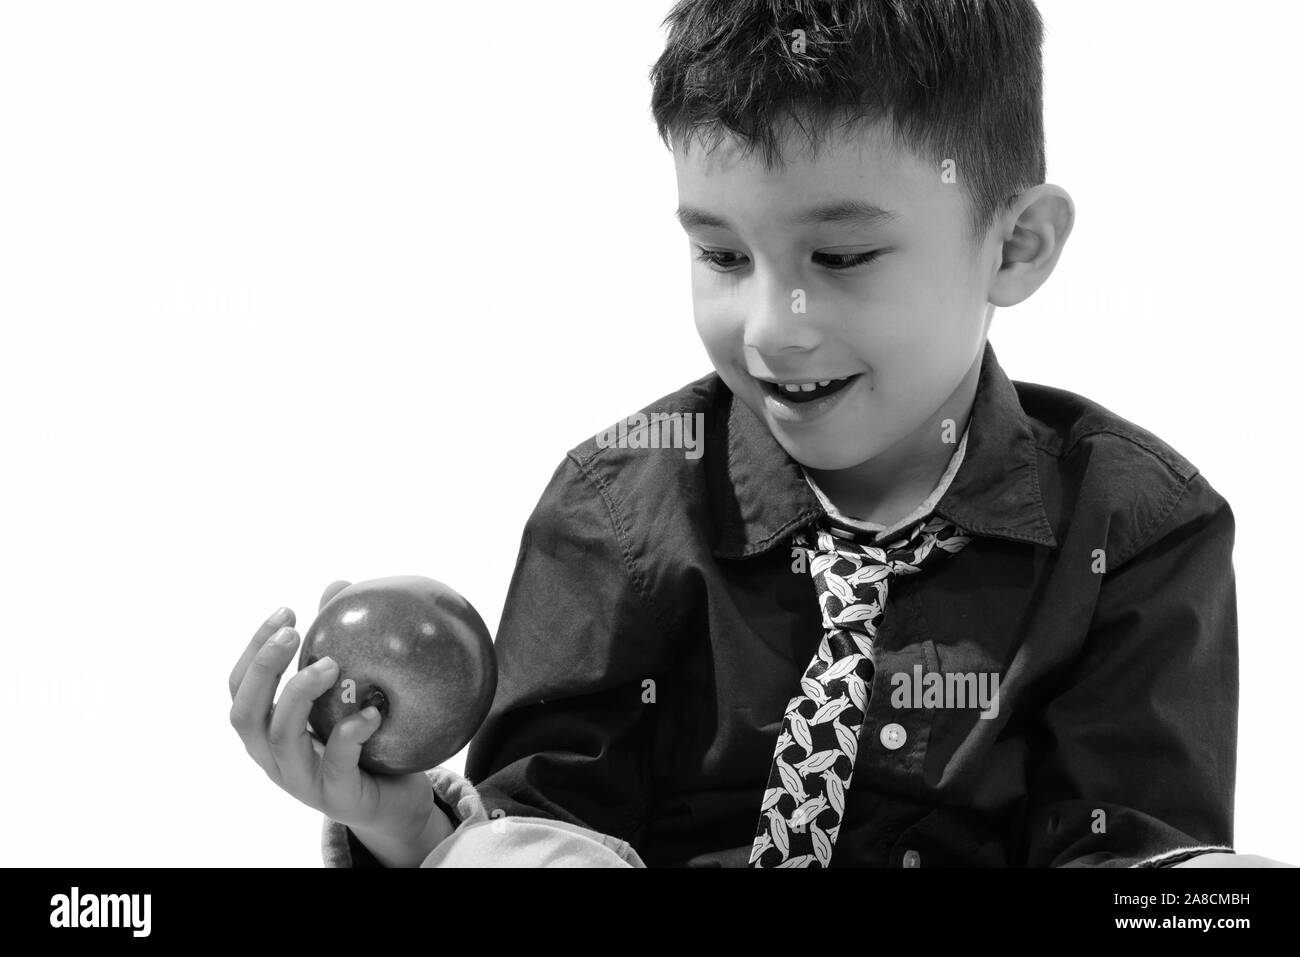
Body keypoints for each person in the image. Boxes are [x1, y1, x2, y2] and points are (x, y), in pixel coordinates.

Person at [228, 0, 1288, 867]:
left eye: (841, 259)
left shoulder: (1136, 528)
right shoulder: (617, 506)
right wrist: (409, 826)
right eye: (724, 257)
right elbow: (539, 830)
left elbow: (1129, 853)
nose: (774, 329)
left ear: (1013, 244)